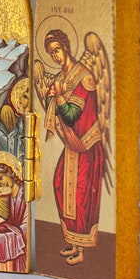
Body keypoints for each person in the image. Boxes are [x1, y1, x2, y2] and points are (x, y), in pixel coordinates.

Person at [41, 29, 106, 266]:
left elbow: (71, 115)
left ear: (66, 47)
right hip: (72, 144)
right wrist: (51, 96)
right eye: (51, 53)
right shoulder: (60, 78)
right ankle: (73, 242)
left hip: (86, 145)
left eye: (57, 50)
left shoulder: (84, 76)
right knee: (60, 185)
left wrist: (58, 98)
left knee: (79, 194)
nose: (55, 56)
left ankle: (82, 249)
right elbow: (53, 106)